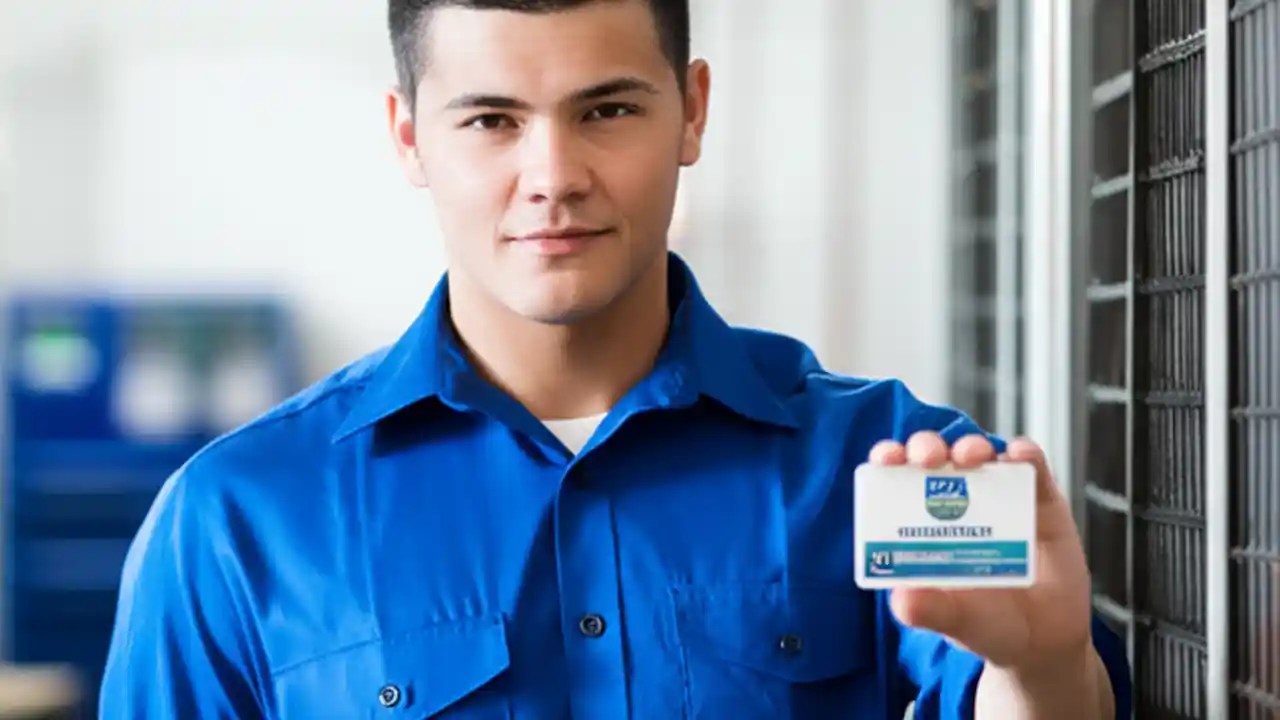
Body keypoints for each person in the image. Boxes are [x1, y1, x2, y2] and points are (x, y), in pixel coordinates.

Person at [99, 0, 1132, 717]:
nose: (552, 176)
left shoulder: (896, 469)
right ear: (408, 136)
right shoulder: (236, 520)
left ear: (691, 110)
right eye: (492, 121)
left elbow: (1025, 700)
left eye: (605, 110)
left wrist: (1042, 666)